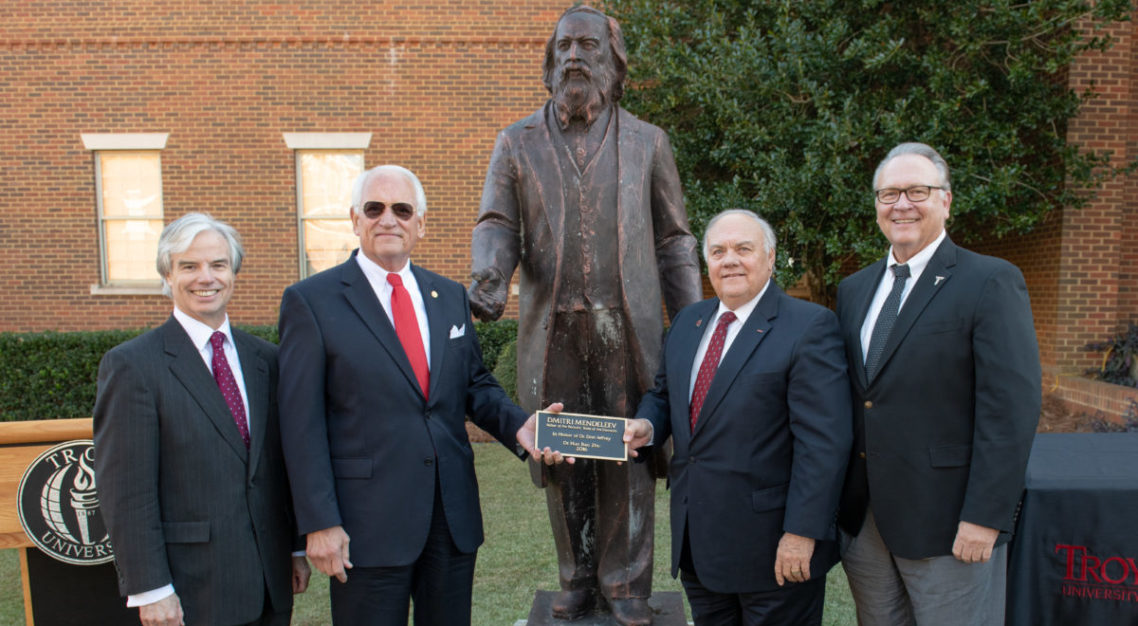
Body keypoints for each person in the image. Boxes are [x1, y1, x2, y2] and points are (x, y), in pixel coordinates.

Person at [468, 6, 702, 623]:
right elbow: (497, 223)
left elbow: (674, 239)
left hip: (629, 331)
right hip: (554, 332)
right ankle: (574, 577)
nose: (575, 56)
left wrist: (695, 321)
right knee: (561, 456)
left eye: (589, 46)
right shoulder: (516, 143)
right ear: (549, 64)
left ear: (613, 63)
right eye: (564, 46)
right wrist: (490, 276)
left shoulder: (648, 142)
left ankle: (626, 585)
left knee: (628, 454)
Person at [278, 165, 555, 625]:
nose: (388, 219)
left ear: (420, 224)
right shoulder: (312, 302)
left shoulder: (448, 297)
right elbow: (299, 424)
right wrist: (319, 522)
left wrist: (520, 425)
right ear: (355, 219)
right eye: (375, 208)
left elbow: (474, 385)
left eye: (401, 209)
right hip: (366, 526)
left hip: (450, 520)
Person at [835, 142, 1041, 625]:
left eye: (917, 191)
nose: (901, 204)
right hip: (866, 523)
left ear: (946, 200)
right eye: (889, 194)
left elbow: (1010, 411)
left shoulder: (990, 281)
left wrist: (986, 517)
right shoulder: (854, 290)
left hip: (949, 523)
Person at [623, 209, 853, 625]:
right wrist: (648, 425)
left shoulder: (809, 326)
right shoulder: (688, 324)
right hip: (699, 545)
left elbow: (824, 443)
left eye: (743, 249)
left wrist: (803, 534)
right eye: (718, 250)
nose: (730, 259)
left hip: (774, 550)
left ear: (770, 257)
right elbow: (664, 394)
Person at [93, 213, 310, 626]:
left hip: (269, 581)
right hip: (190, 588)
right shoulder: (133, 366)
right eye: (189, 266)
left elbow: (280, 465)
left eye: (218, 265)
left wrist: (296, 548)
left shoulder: (266, 360)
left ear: (233, 273)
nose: (205, 278)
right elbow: (126, 491)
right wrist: (150, 588)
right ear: (167, 275)